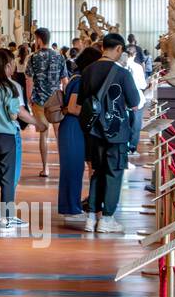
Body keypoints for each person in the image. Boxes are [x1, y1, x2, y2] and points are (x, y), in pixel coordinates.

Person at [77, 32, 142, 233]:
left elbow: (82, 102)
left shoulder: (87, 71)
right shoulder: (123, 73)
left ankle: (90, 218)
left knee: (97, 172)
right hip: (116, 131)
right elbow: (134, 102)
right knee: (114, 173)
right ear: (119, 49)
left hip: (93, 132)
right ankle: (107, 219)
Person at [0, 48, 44, 231]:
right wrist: (35, 122)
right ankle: (7, 218)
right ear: (6, 66)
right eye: (12, 64)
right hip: (6, 136)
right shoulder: (10, 86)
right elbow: (14, 114)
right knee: (6, 178)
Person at [58, 46, 100, 225]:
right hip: (73, 127)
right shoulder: (80, 80)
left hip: (74, 127)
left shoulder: (78, 77)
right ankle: (71, 208)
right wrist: (95, 110)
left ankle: (71, 205)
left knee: (74, 168)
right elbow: (74, 107)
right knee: (72, 169)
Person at [25, 27, 68, 179]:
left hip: (39, 100)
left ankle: (45, 168)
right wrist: (66, 99)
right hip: (56, 100)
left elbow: (29, 80)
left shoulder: (33, 57)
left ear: (39, 40)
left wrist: (29, 98)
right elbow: (65, 81)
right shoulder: (59, 57)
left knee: (43, 134)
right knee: (59, 133)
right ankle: (64, 165)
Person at [120, 44, 149, 156]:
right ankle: (132, 148)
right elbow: (142, 85)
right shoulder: (137, 67)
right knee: (135, 125)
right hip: (137, 99)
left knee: (124, 123)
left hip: (122, 100)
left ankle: (123, 146)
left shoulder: (120, 67)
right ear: (135, 54)